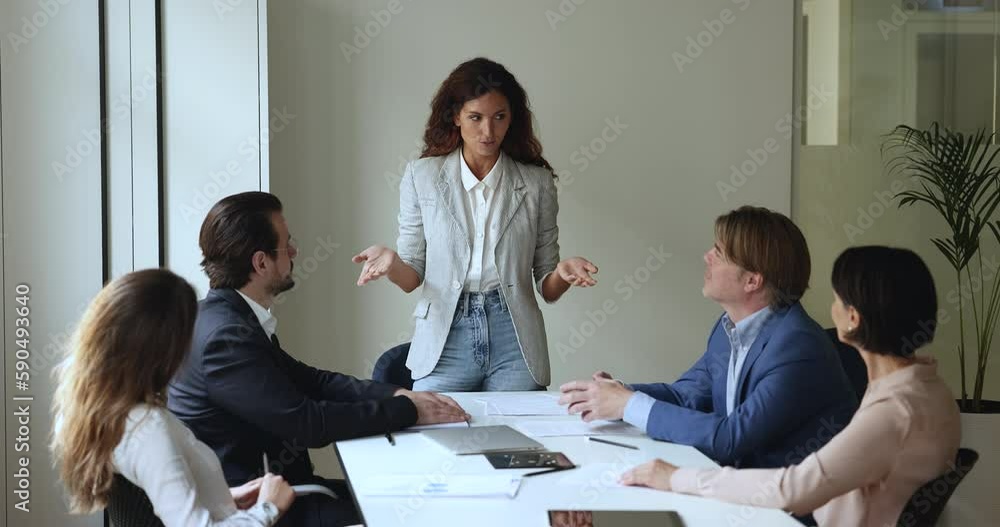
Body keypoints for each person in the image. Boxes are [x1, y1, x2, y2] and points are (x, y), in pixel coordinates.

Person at [168, 192, 469, 527]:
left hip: (285, 492)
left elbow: (310, 380)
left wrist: (394, 394)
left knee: (422, 498)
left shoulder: (224, 316)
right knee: (428, 512)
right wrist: (410, 411)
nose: (295, 250)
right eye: (286, 244)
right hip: (258, 508)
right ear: (261, 262)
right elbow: (308, 423)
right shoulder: (224, 338)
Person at [620, 246, 961, 527]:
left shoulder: (894, 412)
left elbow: (793, 489)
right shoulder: (929, 390)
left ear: (853, 318)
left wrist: (678, 478)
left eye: (837, 299)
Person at [353, 57, 598, 391]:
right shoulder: (421, 177)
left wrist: (563, 273)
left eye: (499, 117)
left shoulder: (537, 183)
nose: (488, 131)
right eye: (475, 117)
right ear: (456, 117)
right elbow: (411, 278)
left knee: (520, 442)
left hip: (515, 341)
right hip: (445, 336)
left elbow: (546, 286)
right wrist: (392, 263)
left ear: (512, 119)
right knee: (435, 439)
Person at [559, 206, 858, 470]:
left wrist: (628, 404)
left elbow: (732, 438)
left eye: (719, 252)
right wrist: (616, 392)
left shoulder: (797, 346)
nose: (707, 256)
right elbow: (685, 395)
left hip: (791, 512)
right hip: (738, 491)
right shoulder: (728, 327)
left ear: (753, 280)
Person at [52, 269, 296, 526]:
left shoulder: (93, 405)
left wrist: (222, 499)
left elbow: (158, 497)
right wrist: (268, 508)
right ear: (163, 349)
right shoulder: (147, 428)